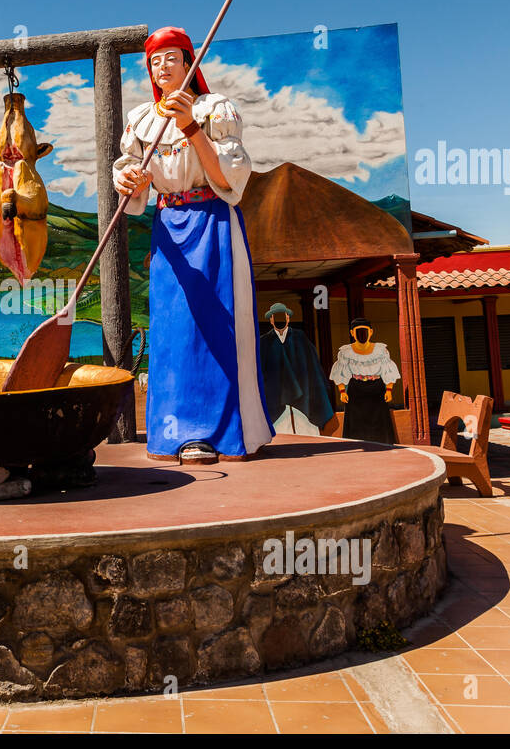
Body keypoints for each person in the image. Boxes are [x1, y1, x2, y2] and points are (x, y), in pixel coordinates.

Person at [113, 26, 274, 464]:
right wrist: (130, 180)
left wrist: (189, 127)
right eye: (154, 61)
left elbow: (228, 181)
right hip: (168, 226)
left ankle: (219, 433)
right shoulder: (143, 119)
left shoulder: (213, 109)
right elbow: (134, 189)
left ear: (189, 63)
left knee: (216, 325)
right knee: (172, 331)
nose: (162, 67)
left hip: (213, 223)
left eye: (171, 57)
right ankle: (172, 433)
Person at [260, 302, 334, 435]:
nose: (279, 320)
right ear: (271, 320)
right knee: (279, 434)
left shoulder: (300, 338)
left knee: (306, 432)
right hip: (274, 397)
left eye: (282, 316)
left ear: (288, 317)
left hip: (303, 397)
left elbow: (312, 366)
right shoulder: (264, 342)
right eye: (276, 317)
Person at [329, 317, 400, 445]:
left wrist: (389, 390)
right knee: (356, 420)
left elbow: (388, 370)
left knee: (380, 420)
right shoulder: (346, 352)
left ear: (371, 332)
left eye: (364, 331)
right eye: (358, 331)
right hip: (356, 389)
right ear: (352, 333)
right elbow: (341, 373)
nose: (362, 334)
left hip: (377, 388)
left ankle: (383, 446)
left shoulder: (380, 351)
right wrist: (342, 391)